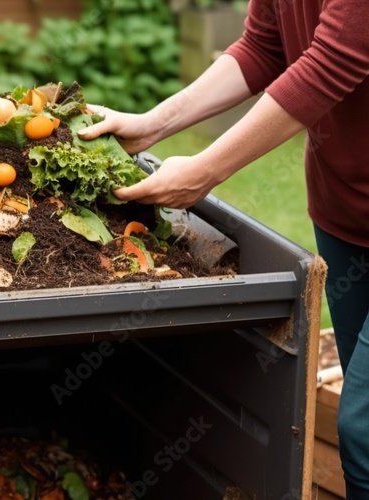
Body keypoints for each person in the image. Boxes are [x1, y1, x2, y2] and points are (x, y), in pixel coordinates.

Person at [77, 0, 369, 496]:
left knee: (362, 432)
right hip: (346, 213)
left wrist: (208, 168)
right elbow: (263, 45)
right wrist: (154, 123)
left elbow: (333, 63)